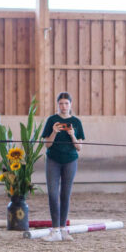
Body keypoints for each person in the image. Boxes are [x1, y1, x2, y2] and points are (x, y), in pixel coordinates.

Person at [40, 92, 85, 242]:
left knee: (65, 195)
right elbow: (47, 144)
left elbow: (79, 147)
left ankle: (63, 228)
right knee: (53, 194)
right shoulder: (52, 120)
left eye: (66, 103)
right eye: (61, 104)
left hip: (70, 161)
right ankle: (55, 230)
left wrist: (72, 135)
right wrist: (54, 131)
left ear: (71, 104)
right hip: (53, 160)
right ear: (57, 105)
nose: (64, 106)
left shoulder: (76, 122)